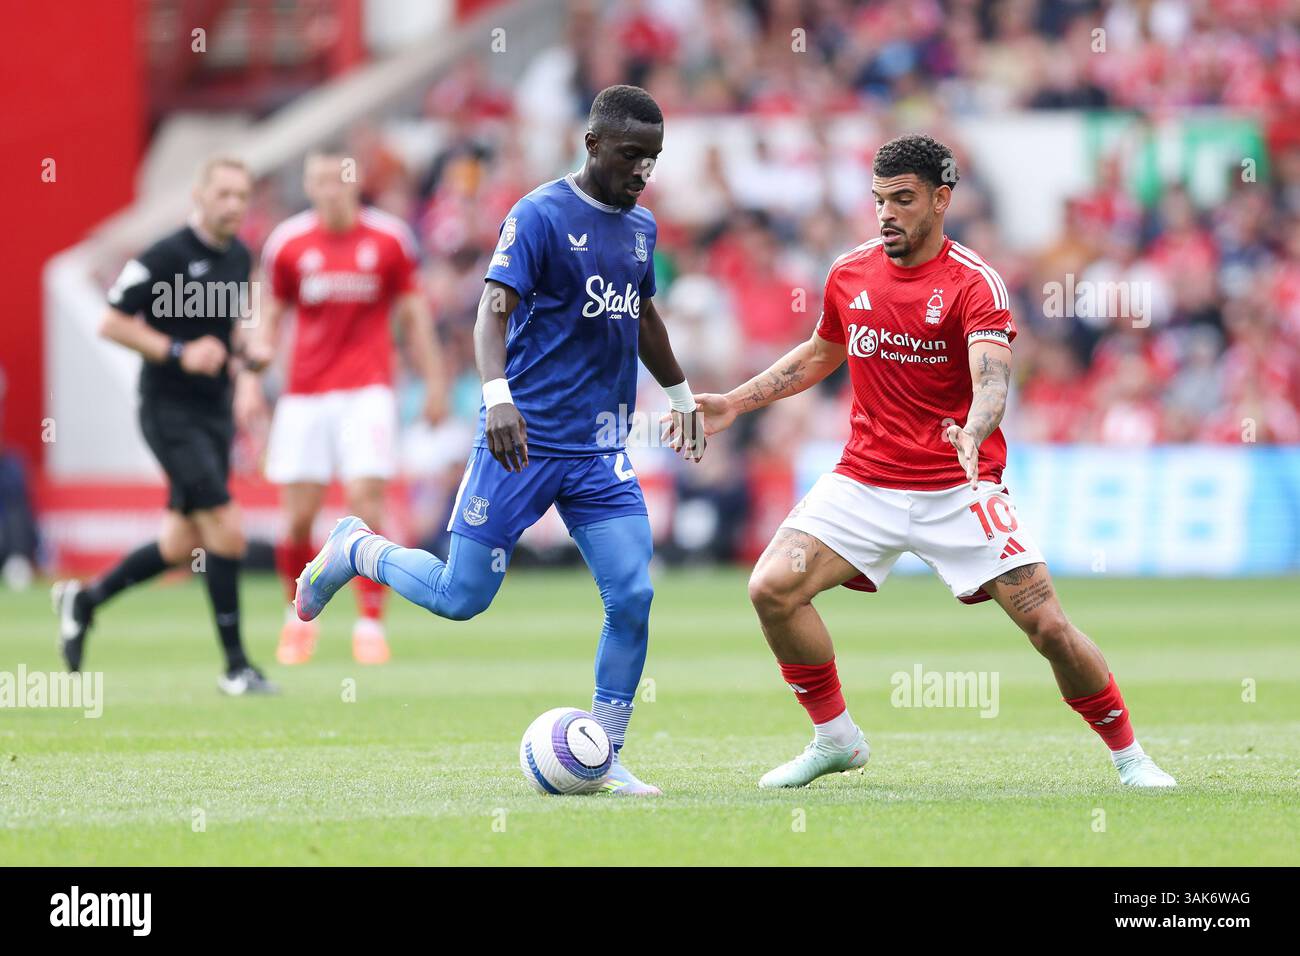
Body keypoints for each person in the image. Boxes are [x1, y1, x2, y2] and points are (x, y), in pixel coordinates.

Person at [688, 134, 1177, 789]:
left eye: (903, 199)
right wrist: (732, 403)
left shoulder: (974, 283)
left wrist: (976, 428)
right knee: (771, 588)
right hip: (865, 480)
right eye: (879, 199)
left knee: (1050, 628)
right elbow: (817, 354)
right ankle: (836, 739)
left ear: (941, 200)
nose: (886, 212)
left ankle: (1129, 756)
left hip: (958, 486)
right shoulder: (850, 273)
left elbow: (993, 380)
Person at [292, 85, 706, 795]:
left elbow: (642, 317)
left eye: (654, 160)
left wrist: (680, 396)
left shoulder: (641, 230)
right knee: (462, 597)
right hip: (521, 437)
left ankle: (601, 753)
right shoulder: (540, 214)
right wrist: (497, 399)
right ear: (594, 146)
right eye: (632, 156)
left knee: (633, 594)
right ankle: (356, 547)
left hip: (599, 447)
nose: (643, 172)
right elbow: (491, 312)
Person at [53, 157, 275, 695]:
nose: (233, 205)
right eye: (223, 194)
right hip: (168, 411)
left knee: (179, 544)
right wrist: (176, 350)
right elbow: (112, 321)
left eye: (241, 196)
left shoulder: (240, 255)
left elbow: (233, 326)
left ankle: (84, 599)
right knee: (225, 524)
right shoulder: (164, 254)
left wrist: (249, 357)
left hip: (214, 413)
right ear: (198, 194)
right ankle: (236, 668)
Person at [238, 150, 448, 665]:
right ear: (308, 186)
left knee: (365, 501)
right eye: (318, 180)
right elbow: (267, 316)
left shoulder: (390, 239)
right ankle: (297, 619)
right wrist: (249, 380)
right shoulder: (288, 243)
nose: (329, 188)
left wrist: (436, 380)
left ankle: (370, 625)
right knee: (297, 519)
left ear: (355, 183)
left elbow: (415, 316)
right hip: (305, 394)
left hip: (368, 390)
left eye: (337, 179)